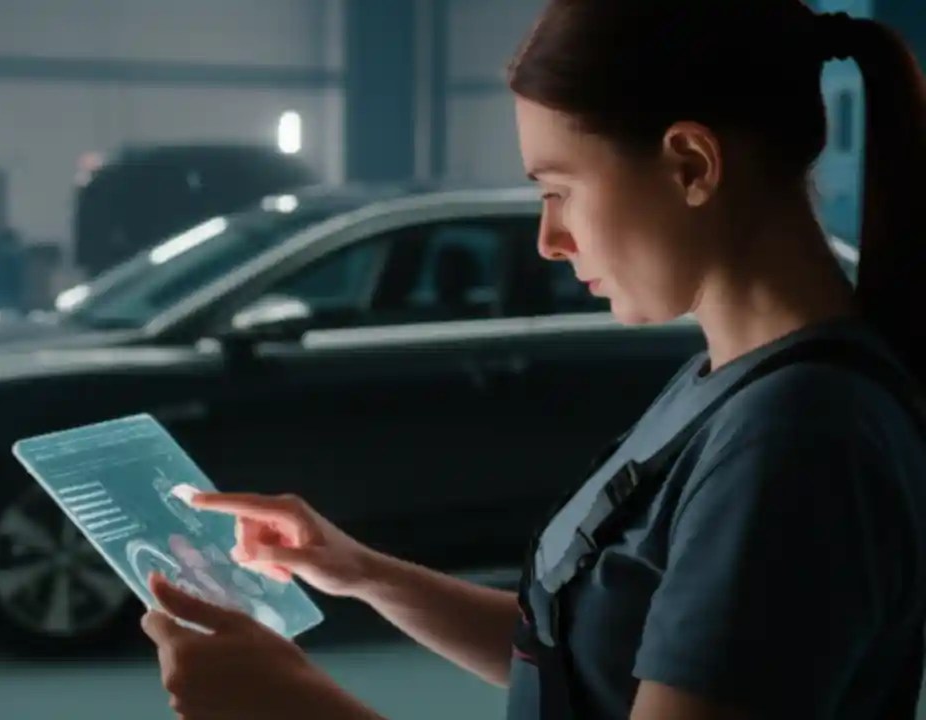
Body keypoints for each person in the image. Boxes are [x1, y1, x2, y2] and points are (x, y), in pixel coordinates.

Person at [138, 1, 926, 717]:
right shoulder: (728, 387)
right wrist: (362, 572)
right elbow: (584, 658)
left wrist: (297, 709)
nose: (550, 240)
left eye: (560, 190)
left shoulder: (799, 441)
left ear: (691, 165)